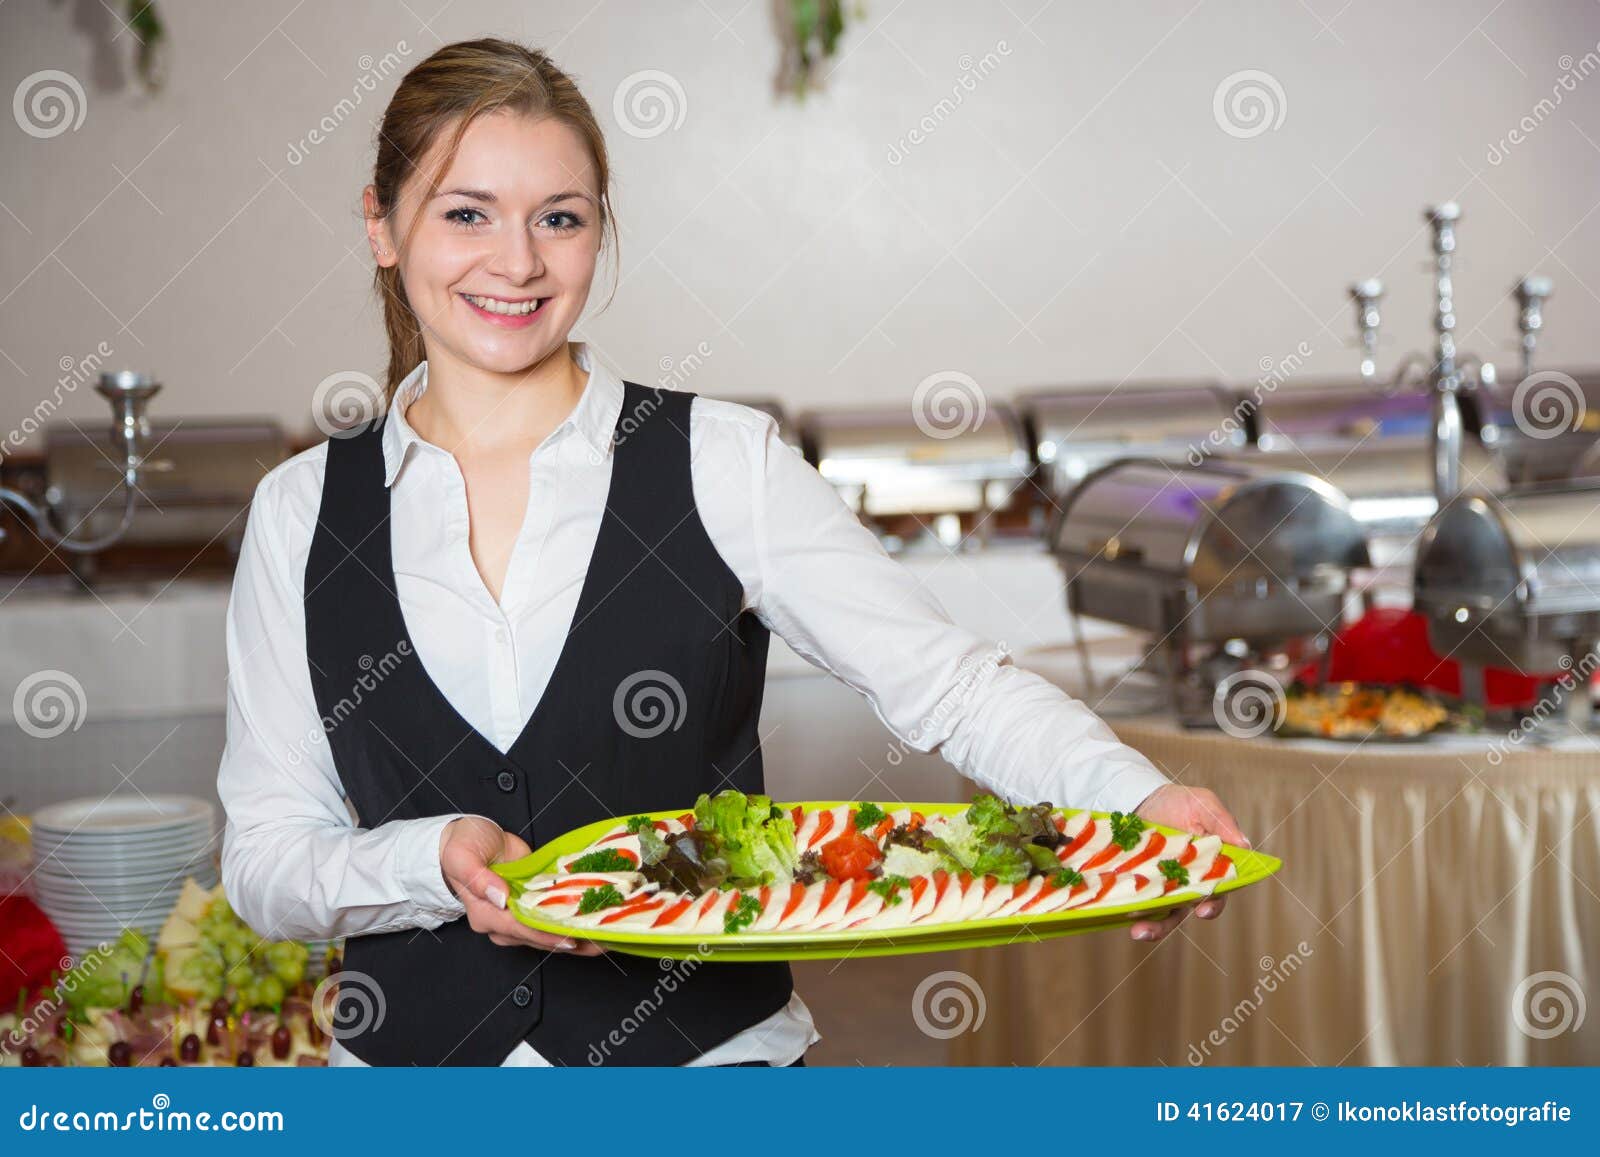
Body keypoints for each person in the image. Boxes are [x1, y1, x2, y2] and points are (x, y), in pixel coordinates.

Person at [217, 37, 1248, 1068]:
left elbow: (952, 686)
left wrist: (1135, 798)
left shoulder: (721, 460)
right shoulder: (299, 512)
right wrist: (430, 861)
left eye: (559, 218)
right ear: (381, 225)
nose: (518, 261)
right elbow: (265, 860)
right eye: (466, 213)